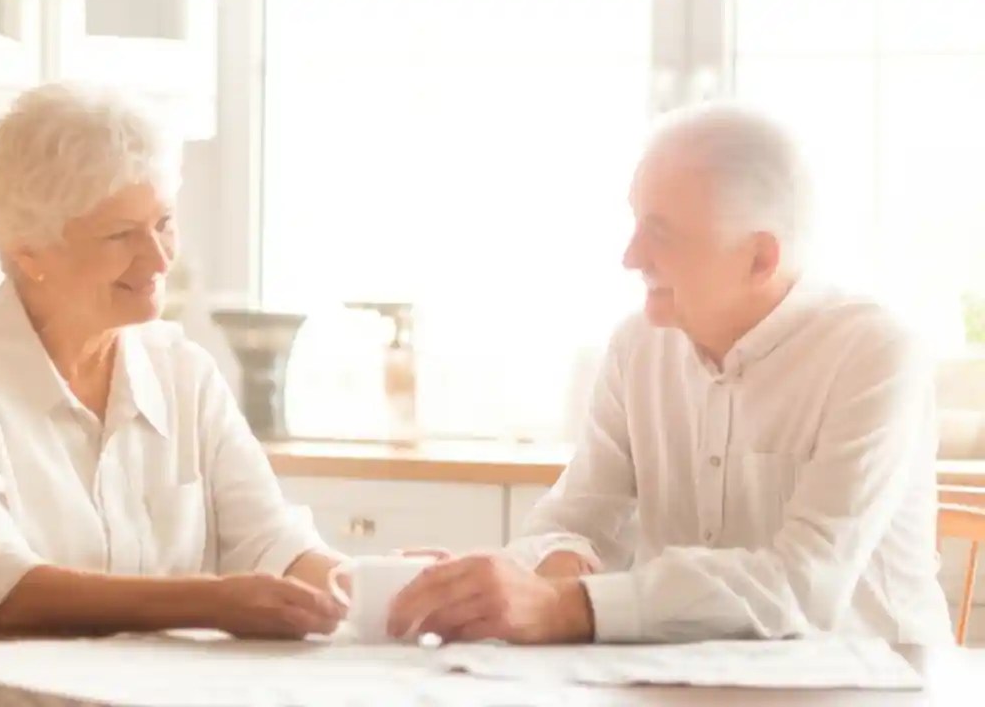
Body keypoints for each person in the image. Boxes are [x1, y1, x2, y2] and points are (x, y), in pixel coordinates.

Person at [0, 83, 345, 706]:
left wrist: (368, 587)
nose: (159, 257)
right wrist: (215, 601)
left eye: (164, 223)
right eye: (121, 235)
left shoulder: (183, 372)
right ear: (31, 253)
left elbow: (273, 543)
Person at [388, 103, 952, 646]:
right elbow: (576, 518)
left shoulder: (875, 353)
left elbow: (806, 585)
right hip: (684, 681)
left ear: (760, 258)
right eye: (635, 223)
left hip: (872, 681)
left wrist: (568, 606)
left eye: (661, 233)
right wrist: (529, 573)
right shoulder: (638, 347)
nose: (630, 257)